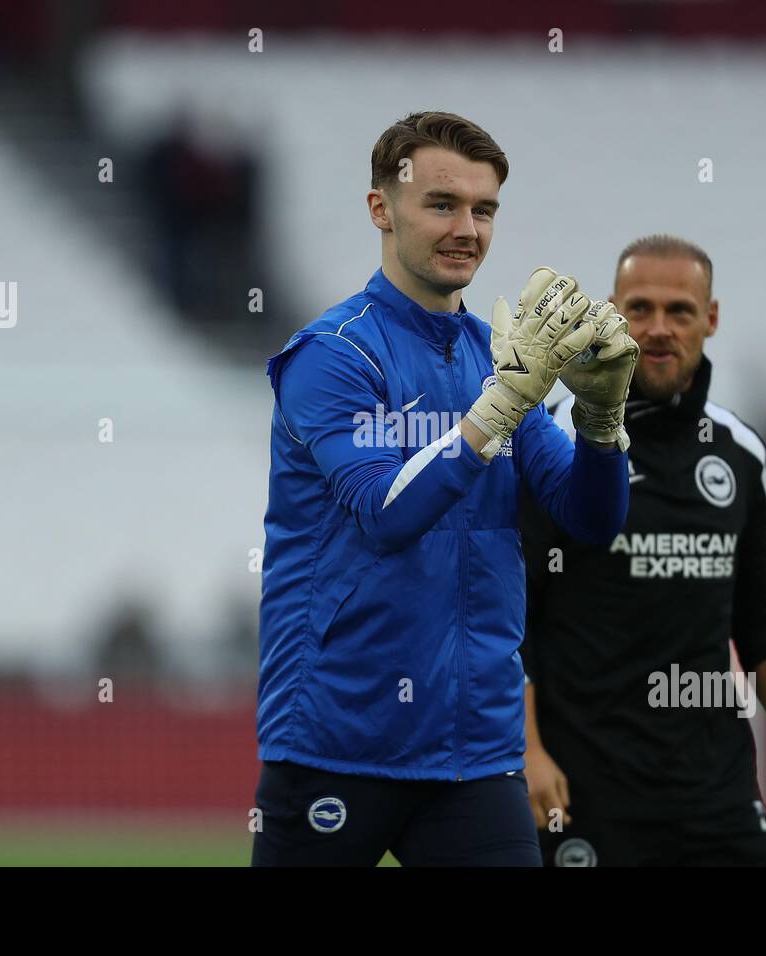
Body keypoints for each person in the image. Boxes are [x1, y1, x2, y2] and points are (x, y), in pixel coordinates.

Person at [253, 111, 639, 866]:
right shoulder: (332, 357)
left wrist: (600, 418)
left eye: (483, 209)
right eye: (442, 205)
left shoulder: (495, 359)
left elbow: (591, 519)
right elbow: (384, 514)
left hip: (473, 751)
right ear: (381, 209)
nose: (467, 227)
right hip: (337, 739)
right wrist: (498, 407)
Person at [521, 235, 766, 866]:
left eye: (680, 311)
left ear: (711, 319)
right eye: (641, 308)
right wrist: (525, 751)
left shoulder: (741, 453)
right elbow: (500, 616)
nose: (659, 329)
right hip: (581, 790)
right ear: (612, 312)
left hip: (714, 792)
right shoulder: (552, 440)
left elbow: (763, 616)